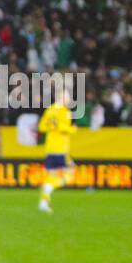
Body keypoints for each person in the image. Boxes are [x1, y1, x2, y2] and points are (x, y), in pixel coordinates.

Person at [38, 79, 77, 212]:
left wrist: (52, 126)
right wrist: (72, 129)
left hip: (50, 147)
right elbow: (63, 128)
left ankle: (44, 200)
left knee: (52, 175)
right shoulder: (65, 111)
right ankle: (48, 192)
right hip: (60, 148)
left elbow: (42, 127)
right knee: (69, 172)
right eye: (67, 96)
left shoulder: (50, 110)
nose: (69, 98)